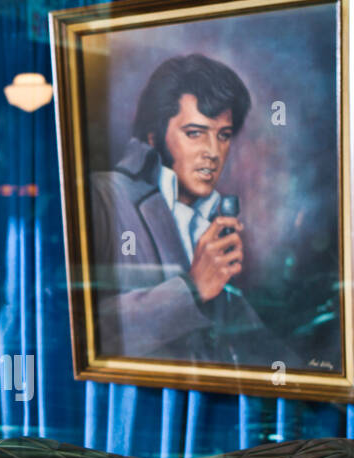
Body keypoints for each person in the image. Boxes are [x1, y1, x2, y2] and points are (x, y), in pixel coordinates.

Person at [90, 53, 290, 366]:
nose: (213, 152)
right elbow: (86, 329)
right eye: (195, 133)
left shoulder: (213, 216)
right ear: (153, 137)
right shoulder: (103, 194)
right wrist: (192, 289)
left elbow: (251, 340)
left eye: (223, 135)